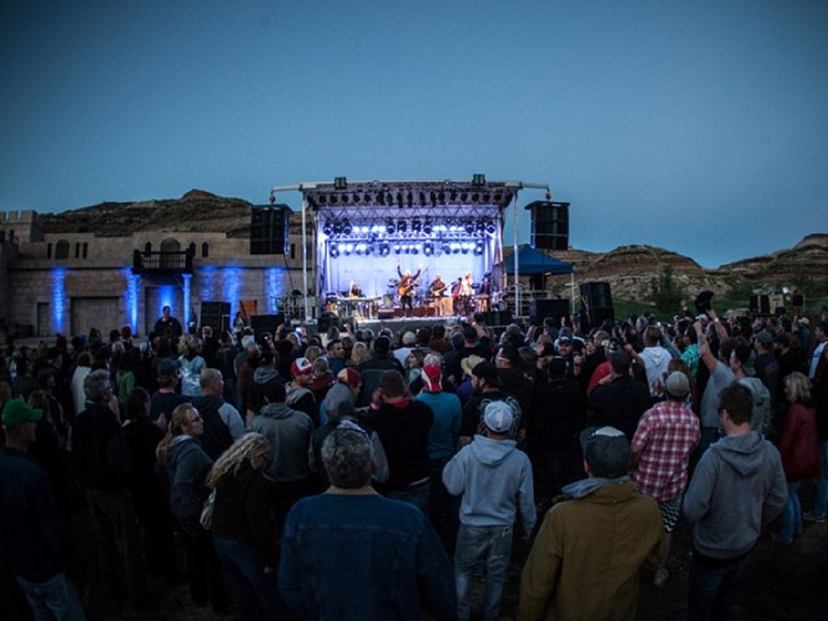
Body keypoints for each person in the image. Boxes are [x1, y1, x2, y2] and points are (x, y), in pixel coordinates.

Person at [279, 426, 456, 620]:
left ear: (326, 466)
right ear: (373, 466)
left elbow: (290, 587)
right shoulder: (407, 519)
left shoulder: (302, 516)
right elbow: (440, 587)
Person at [517, 426, 665, 620]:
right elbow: (654, 559)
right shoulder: (648, 509)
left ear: (587, 465)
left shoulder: (563, 515)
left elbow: (538, 581)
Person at [683, 383, 787, 620]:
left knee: (700, 608)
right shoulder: (769, 452)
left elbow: (692, 508)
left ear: (726, 414)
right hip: (745, 543)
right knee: (726, 603)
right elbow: (779, 497)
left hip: (711, 549)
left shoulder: (713, 458)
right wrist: (756, 521)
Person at [444, 401, 536, 621]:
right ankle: (491, 615)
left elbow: (453, 486)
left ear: (484, 423)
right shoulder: (520, 460)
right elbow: (526, 498)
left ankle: (461, 613)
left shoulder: (468, 454)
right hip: (502, 526)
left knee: (463, 571)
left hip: (471, 524)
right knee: (497, 574)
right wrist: (529, 525)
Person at [0, 399, 87, 621]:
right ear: (20, 427)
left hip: (20, 568)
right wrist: (72, 567)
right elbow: (53, 528)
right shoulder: (32, 473)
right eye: (31, 422)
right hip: (48, 568)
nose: (36, 426)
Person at [72, 369, 147, 609]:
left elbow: (76, 456)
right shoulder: (108, 422)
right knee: (129, 543)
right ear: (107, 396)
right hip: (112, 491)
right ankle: (138, 597)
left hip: (91, 489)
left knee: (104, 540)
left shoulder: (81, 419)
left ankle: (112, 588)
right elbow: (120, 461)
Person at [156, 403, 230, 612]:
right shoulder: (191, 452)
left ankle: (199, 595)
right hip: (195, 517)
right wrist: (198, 512)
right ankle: (221, 603)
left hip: (184, 517)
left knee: (195, 557)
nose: (202, 421)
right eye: (196, 419)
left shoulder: (173, 446)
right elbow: (182, 486)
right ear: (184, 427)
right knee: (210, 560)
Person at [630, 371, 701, 587]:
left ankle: (634, 565)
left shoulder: (653, 415)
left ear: (666, 390)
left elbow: (635, 448)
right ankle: (659, 569)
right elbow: (693, 447)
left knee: (638, 526)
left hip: (645, 484)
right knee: (667, 528)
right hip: (673, 486)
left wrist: (631, 468)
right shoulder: (693, 420)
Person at [207, 433, 281, 621]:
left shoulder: (224, 471)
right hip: (242, 542)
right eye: (265, 457)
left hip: (220, 536)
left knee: (240, 588)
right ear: (256, 455)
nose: (266, 462)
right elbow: (259, 523)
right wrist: (268, 559)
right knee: (266, 591)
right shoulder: (255, 483)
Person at [365, 370, 434, 512]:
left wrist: (374, 405)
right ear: (404, 388)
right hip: (420, 477)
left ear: (381, 392)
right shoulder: (423, 410)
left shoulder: (377, 419)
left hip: (395, 484)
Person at [774, 372, 820, 544]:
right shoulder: (810, 408)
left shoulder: (795, 411)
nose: (785, 390)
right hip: (805, 459)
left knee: (786, 497)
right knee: (793, 495)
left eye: (787, 387)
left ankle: (787, 534)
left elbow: (788, 439)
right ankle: (797, 527)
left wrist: (779, 459)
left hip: (794, 460)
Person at [192, 368, 246, 461]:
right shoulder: (227, 411)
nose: (222, 383)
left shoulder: (191, 410)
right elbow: (241, 441)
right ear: (216, 385)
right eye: (221, 380)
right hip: (224, 463)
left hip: (199, 463)